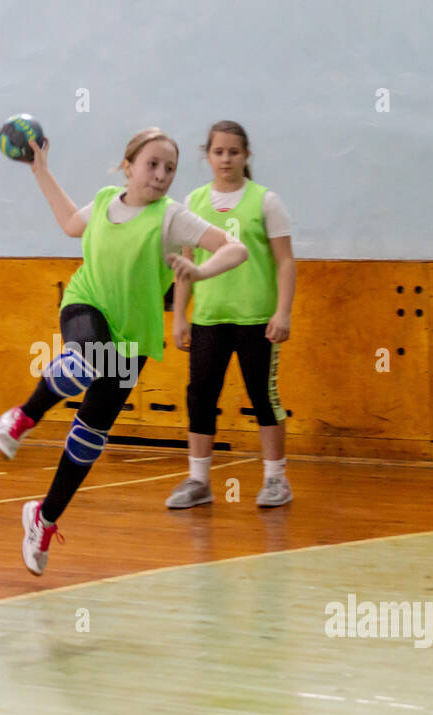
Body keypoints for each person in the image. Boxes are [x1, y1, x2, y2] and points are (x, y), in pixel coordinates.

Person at [0, 129, 248, 575]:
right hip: (86, 305)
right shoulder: (107, 200)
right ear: (129, 166)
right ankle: (23, 417)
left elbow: (235, 248)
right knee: (86, 360)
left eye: (170, 168)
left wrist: (200, 271)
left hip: (133, 338)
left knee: (90, 438)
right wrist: (41, 171)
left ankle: (44, 519)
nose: (162, 175)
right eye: (152, 164)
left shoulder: (171, 218)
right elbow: (71, 224)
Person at [167, 121, 296, 509]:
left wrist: (283, 312)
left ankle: (276, 480)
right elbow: (186, 265)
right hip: (209, 318)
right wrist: (180, 316)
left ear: (246, 156)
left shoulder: (265, 201)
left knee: (262, 396)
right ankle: (198, 480)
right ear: (207, 156)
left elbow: (286, 261)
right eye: (218, 152)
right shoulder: (193, 203)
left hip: (256, 318)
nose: (226, 159)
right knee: (200, 396)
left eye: (233, 152)